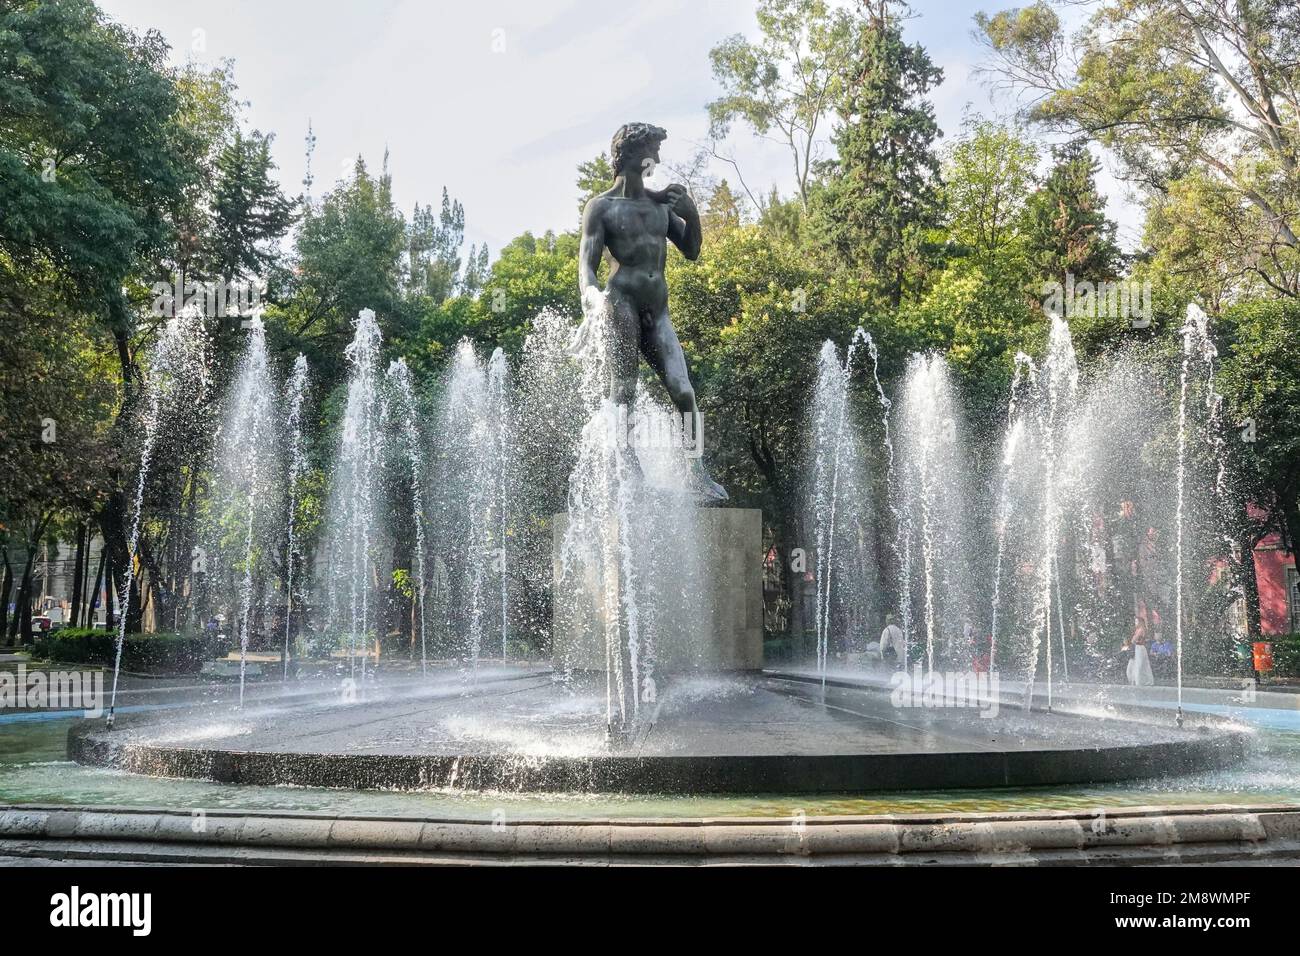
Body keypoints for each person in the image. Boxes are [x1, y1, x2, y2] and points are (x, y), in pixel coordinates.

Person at [574, 122, 727, 500]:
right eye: (653, 152)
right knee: (623, 390)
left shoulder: (661, 205)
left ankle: (696, 473)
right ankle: (628, 473)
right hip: (620, 304)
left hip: (658, 311)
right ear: (632, 156)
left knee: (683, 391)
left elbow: (691, 250)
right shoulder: (602, 207)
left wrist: (692, 217)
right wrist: (590, 296)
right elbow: (587, 264)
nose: (658, 159)